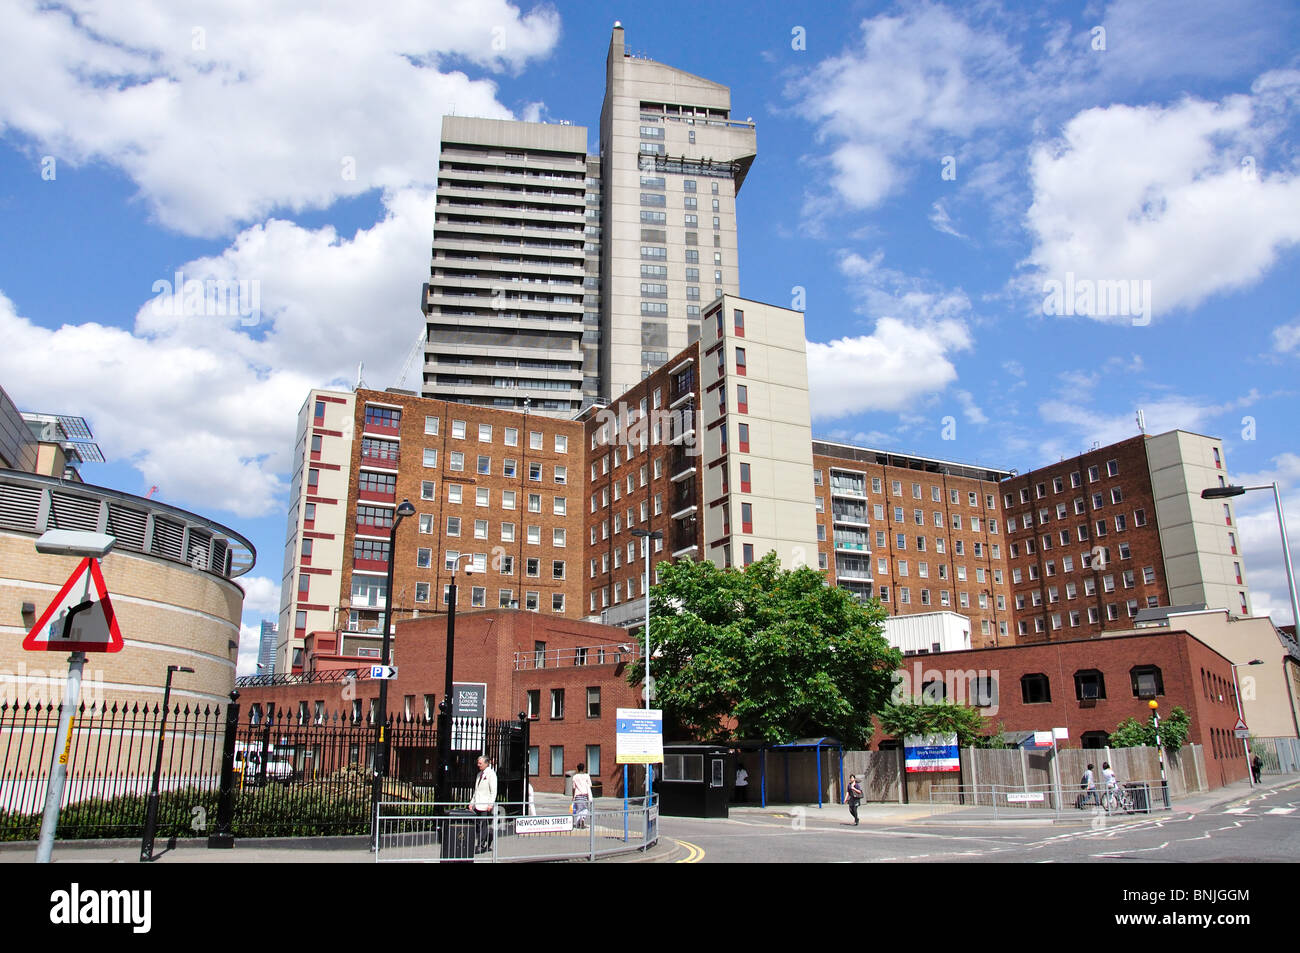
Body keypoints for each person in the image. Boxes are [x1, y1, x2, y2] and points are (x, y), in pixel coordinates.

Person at [470, 754, 497, 852]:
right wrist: (472, 802)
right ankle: (486, 840)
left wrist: (490, 804)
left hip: (485, 805)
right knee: (479, 825)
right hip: (478, 804)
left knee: (483, 825)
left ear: (486, 763)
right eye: (478, 763)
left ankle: (481, 845)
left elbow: (493, 791)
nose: (478, 765)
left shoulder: (491, 774)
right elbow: (476, 790)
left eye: (480, 763)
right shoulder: (479, 774)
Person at [571, 761, 593, 829]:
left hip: (577, 795)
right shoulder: (587, 776)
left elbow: (574, 788)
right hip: (585, 795)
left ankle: (578, 823)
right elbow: (590, 785)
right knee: (585, 809)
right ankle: (582, 818)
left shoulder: (575, 777)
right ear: (583, 768)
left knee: (578, 809)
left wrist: (573, 796)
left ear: (577, 769)